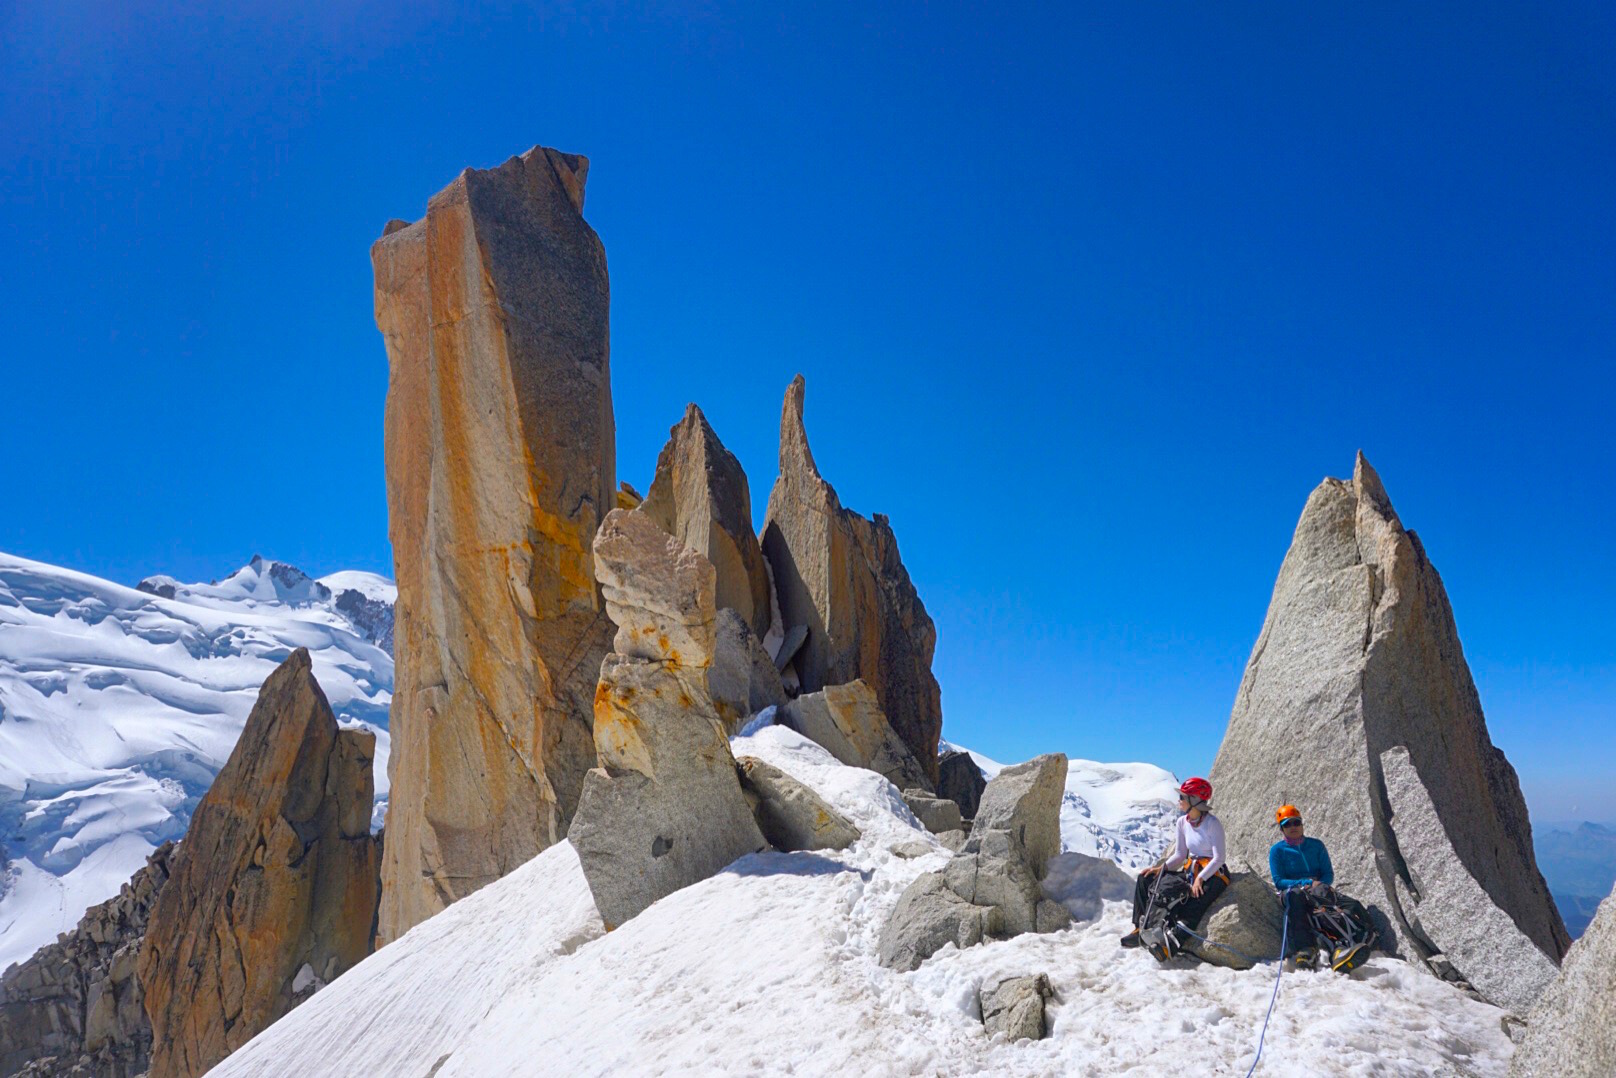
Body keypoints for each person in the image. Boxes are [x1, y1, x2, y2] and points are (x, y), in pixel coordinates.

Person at [1120, 777, 1230, 960]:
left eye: (1183, 797)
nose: (1179, 800)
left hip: (1213, 873)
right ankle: (1140, 928)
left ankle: (1170, 945)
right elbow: (1180, 854)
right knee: (1145, 879)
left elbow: (1219, 858)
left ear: (1194, 800)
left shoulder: (1212, 824)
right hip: (1191, 871)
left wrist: (1200, 878)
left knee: (1195, 901)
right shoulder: (1183, 822)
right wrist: (1160, 869)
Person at [1268, 804, 1375, 971]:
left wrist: (1320, 886)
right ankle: (1306, 948)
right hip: (1292, 892)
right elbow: (1279, 881)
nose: (1293, 827)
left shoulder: (1316, 845)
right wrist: (1306, 883)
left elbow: (1328, 874)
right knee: (1296, 898)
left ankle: (1340, 948)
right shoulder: (1277, 851)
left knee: (1340, 906)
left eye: (1296, 822)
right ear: (1281, 829)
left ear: (1302, 824)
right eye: (1287, 824)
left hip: (1317, 890)